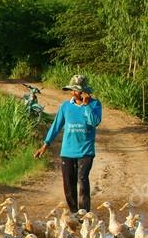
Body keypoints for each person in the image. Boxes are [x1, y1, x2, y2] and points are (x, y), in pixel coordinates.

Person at [34, 74, 102, 213]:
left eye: (77, 90)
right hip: (68, 152)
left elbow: (95, 122)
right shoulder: (65, 106)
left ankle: (84, 214)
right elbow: (56, 126)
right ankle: (74, 212)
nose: (74, 93)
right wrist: (45, 145)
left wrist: (87, 105)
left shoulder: (95, 104)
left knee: (82, 179)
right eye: (73, 90)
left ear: (85, 92)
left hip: (86, 151)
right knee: (69, 184)